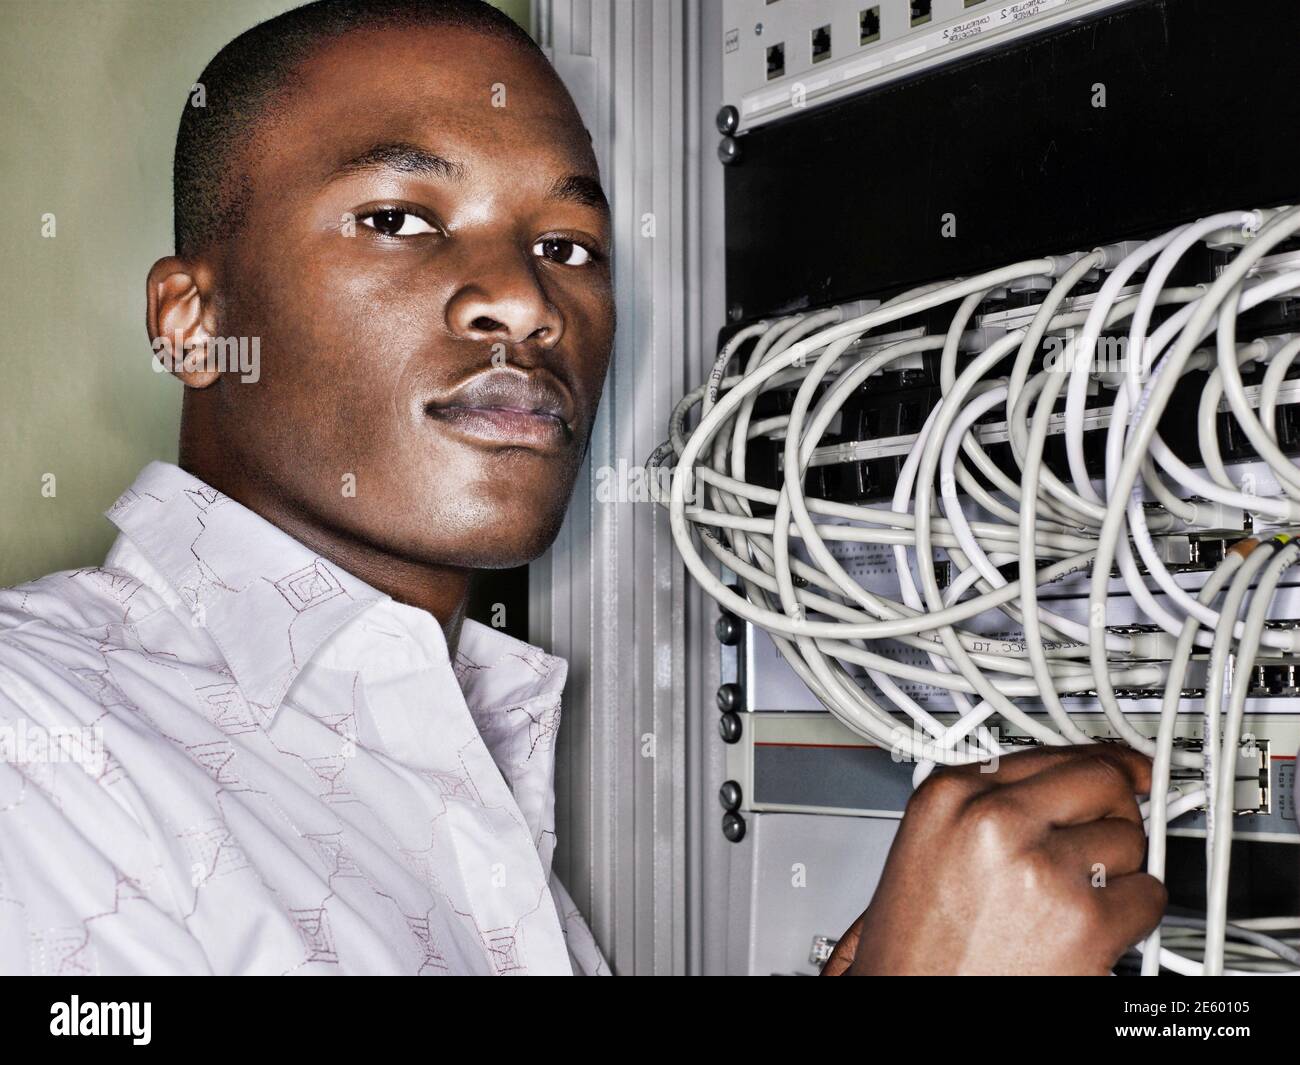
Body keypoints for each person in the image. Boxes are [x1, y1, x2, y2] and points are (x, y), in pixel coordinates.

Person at [0, 0, 1165, 976]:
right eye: (400, 220)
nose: (526, 303)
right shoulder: (32, 738)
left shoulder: (448, 734)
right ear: (194, 324)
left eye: (567, 246)